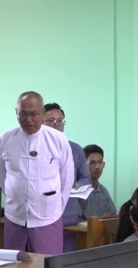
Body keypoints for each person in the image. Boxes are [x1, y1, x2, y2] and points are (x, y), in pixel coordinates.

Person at [0, 92, 74, 255]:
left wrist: (55, 206)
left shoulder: (58, 139)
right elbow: (1, 176)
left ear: (43, 113)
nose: (28, 119)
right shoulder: (5, 139)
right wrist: (16, 195)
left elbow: (66, 179)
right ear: (16, 113)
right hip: (15, 217)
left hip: (48, 218)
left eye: (33, 114)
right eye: (23, 114)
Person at [42, 103, 90, 252]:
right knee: (46, 258)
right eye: (51, 120)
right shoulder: (36, 149)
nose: (57, 125)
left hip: (69, 215)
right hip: (44, 215)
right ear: (41, 123)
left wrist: (77, 184)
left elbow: (86, 178)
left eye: (60, 120)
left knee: (68, 258)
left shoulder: (75, 149)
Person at [79, 144, 117, 219]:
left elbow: (112, 215)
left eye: (100, 162)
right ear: (83, 166)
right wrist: (100, 220)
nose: (97, 167)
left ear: (104, 164)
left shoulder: (103, 191)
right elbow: (75, 223)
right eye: (92, 163)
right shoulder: (78, 191)